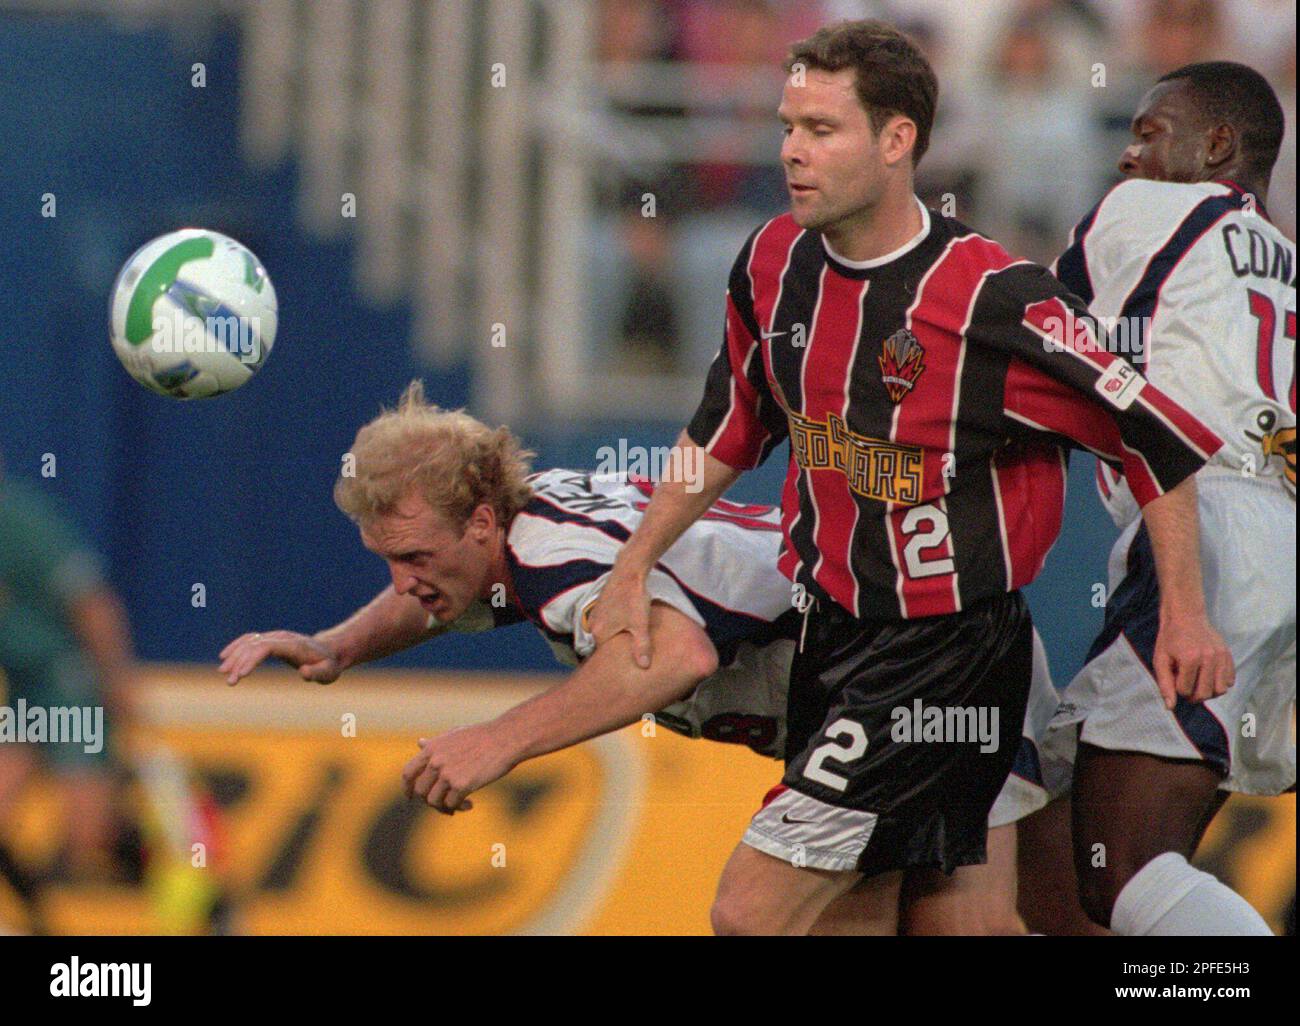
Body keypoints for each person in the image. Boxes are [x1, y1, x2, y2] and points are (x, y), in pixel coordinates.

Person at [587, 19, 1234, 936]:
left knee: (750, 913)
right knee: (949, 926)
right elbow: (724, 429)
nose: (791, 153)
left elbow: (1156, 439)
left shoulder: (991, 298)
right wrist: (635, 561)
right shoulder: (772, 264)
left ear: (897, 143)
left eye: (821, 130)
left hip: (945, 657)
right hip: (834, 643)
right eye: (787, 126)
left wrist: (1185, 611)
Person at [218, 382, 1056, 934]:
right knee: (956, 925)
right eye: (387, 563)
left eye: (413, 557)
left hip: (901, 665)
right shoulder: (524, 532)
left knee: (761, 917)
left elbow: (672, 657)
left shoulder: (551, 556)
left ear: (478, 520)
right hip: (944, 655)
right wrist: (338, 646)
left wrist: (496, 739)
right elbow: (445, 594)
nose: (404, 583)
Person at [1029, 61, 1294, 936]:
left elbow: (1019, 326)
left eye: (1149, 134)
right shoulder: (1286, 260)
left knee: (1122, 870)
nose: (1127, 159)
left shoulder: (1148, 212)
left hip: (1206, 526)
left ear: (1218, 145)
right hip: (1278, 535)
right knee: (1069, 883)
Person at [0, 456, 137, 932]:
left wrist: (117, 681)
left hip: (66, 680)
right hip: (23, 687)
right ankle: (39, 918)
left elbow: (91, 601)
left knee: (88, 835)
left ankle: (210, 905)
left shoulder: (18, 518)